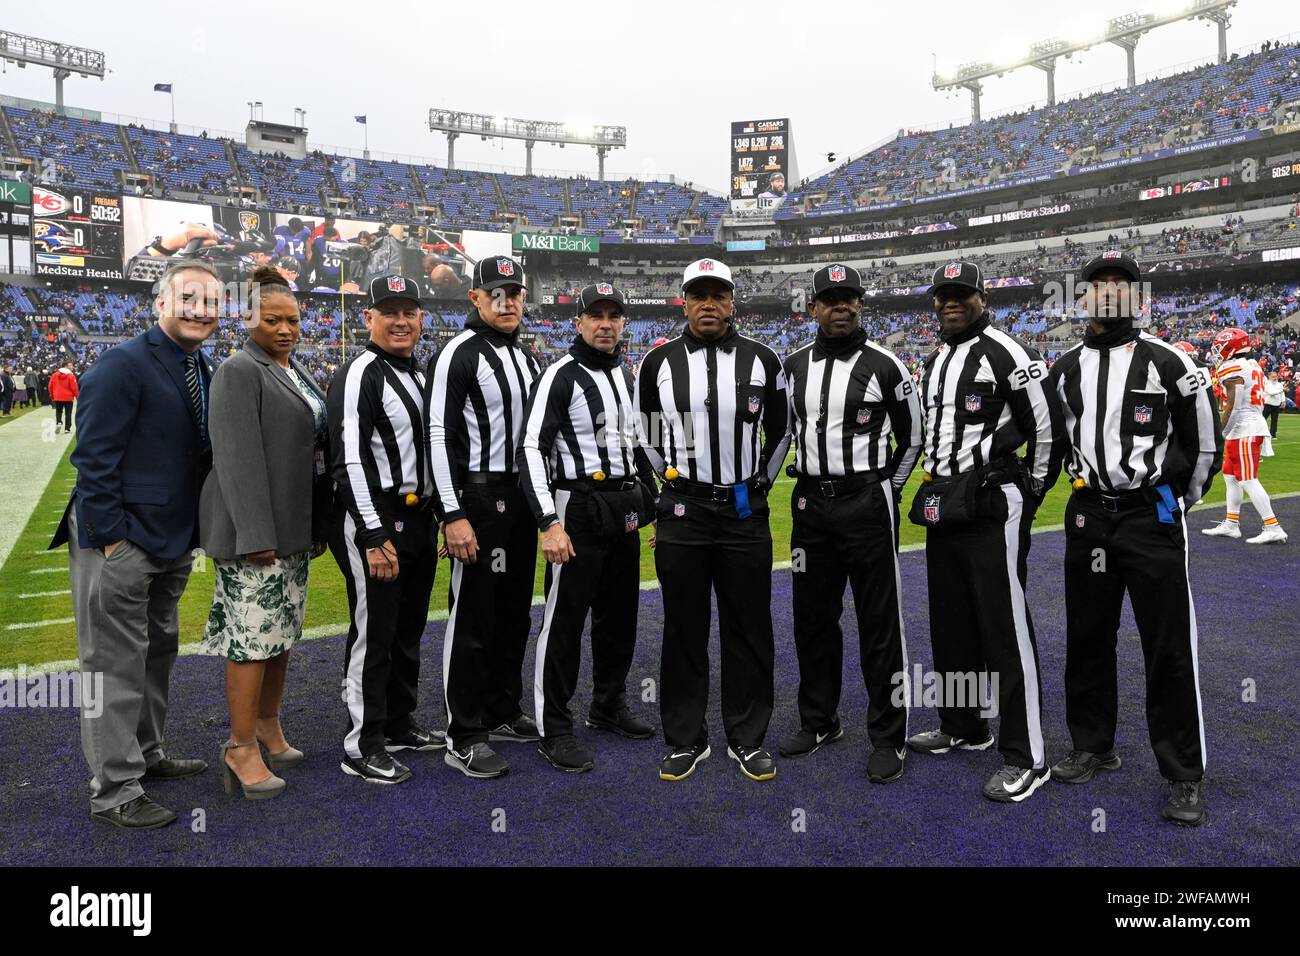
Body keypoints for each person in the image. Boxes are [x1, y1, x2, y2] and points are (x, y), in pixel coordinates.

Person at [1046, 252, 1223, 826]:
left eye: (1120, 288)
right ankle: (1093, 745)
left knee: (1167, 646)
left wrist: (1172, 506)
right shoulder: (1066, 367)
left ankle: (1183, 773)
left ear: (1136, 299)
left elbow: (1204, 448)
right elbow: (1052, 441)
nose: (1108, 296)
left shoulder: (1171, 363)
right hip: (1090, 514)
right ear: (1084, 298)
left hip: (1150, 518)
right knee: (1088, 637)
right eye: (1098, 287)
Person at [51, 261, 221, 829]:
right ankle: (114, 789)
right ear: (159, 303)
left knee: (155, 654)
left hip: (171, 540)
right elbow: (93, 461)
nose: (201, 309)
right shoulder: (122, 364)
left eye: (211, 301)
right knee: (111, 665)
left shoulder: (200, 364)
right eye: (188, 298)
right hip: (122, 542)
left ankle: (145, 756)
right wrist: (110, 543)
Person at [905, 260, 1061, 804]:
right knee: (951, 621)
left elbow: (1046, 429)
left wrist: (1029, 494)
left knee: (1004, 626)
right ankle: (964, 724)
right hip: (945, 502)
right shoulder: (938, 357)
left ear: (981, 297)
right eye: (943, 295)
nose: (951, 302)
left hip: (993, 500)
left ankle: (1028, 756)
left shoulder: (1008, 351)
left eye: (961, 294)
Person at [635, 258, 791, 782]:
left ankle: (747, 738)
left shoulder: (765, 360)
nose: (708, 304)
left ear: (731, 301)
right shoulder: (656, 363)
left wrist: (760, 484)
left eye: (717, 295)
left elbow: (782, 434)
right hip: (683, 513)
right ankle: (686, 738)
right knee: (683, 627)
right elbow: (644, 435)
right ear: (684, 301)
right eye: (698, 295)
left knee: (749, 627)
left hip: (744, 511)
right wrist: (670, 487)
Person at [779, 264, 923, 783]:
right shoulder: (791, 367)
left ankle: (889, 735)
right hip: (809, 506)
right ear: (812, 307)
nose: (840, 306)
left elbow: (912, 438)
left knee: (879, 623)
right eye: (829, 299)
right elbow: (781, 436)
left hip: (866, 500)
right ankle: (820, 721)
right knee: (811, 618)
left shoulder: (887, 365)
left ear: (861, 305)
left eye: (849, 298)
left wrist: (889, 488)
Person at [198, 267, 332, 800]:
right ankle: (238, 746)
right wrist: (256, 534)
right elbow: (237, 460)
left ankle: (268, 726)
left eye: (292, 319)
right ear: (248, 317)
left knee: (280, 637)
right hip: (256, 535)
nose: (284, 328)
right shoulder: (239, 370)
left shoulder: (292, 369)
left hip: (291, 530)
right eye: (271, 319)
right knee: (252, 641)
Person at [517, 281, 656, 773]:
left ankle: (607, 704)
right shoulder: (560, 375)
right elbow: (530, 449)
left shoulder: (625, 374)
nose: (605, 324)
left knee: (620, 615)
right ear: (577, 322)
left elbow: (638, 447)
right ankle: (554, 725)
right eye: (595, 315)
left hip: (624, 507)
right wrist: (549, 522)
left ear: (623, 323)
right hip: (576, 506)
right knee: (564, 621)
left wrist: (654, 507)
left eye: (613, 316)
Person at [426, 256, 541, 779]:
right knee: (473, 616)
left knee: (514, 611)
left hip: (520, 500)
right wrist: (451, 513)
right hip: (477, 498)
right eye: (496, 293)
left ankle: (502, 707)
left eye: (514, 292)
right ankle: (464, 732)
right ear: (474, 298)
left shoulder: (528, 358)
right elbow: (438, 437)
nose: (508, 301)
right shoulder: (458, 353)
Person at [327, 273, 442, 785]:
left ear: (420, 318)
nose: (400, 320)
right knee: (374, 632)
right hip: (377, 515)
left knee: (407, 628)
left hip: (417, 516)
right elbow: (347, 459)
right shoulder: (362, 373)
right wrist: (373, 534)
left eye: (409, 311)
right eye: (388, 311)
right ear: (367, 317)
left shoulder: (417, 374)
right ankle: (362, 742)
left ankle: (397, 722)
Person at [1201, 328, 1287, 544]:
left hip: (1245, 429)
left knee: (1247, 479)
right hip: (1242, 429)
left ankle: (1273, 526)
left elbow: (1234, 406)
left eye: (1220, 345)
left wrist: (1219, 433)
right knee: (1230, 477)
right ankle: (1232, 524)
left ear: (1231, 346)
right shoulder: (1252, 365)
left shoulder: (1233, 367)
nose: (1217, 351)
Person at [48, 364, 79, 434]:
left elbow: (50, 385)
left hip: (58, 396)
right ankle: (67, 429)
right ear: (66, 366)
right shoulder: (71, 375)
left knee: (58, 411)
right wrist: (77, 397)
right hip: (68, 397)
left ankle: (59, 422)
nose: (72, 367)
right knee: (68, 413)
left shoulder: (55, 375)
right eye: (70, 365)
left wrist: (52, 396)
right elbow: (74, 387)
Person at [1262, 370, 1285, 439]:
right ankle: (1260, 433)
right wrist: (1282, 390)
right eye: (1273, 377)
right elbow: (1271, 393)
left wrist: (1283, 401)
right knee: (1263, 419)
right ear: (1269, 377)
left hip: (1276, 404)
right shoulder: (1267, 384)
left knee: (1274, 420)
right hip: (1267, 404)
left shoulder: (1279, 384)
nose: (1275, 378)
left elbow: (1282, 393)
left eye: (1276, 376)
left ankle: (1273, 434)